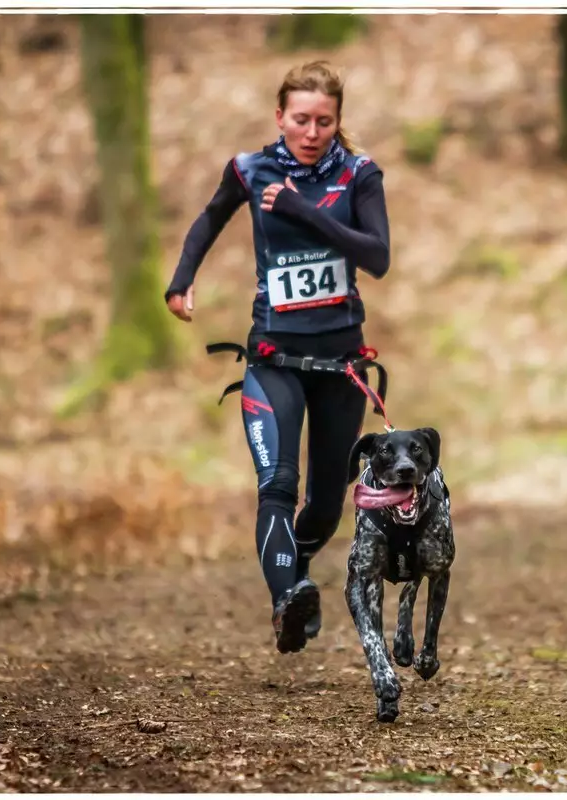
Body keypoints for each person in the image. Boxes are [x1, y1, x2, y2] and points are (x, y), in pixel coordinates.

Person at [163, 61, 392, 655]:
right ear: (279, 116)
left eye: (324, 121)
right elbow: (209, 219)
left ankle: (295, 565)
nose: (312, 132)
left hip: (342, 364)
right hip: (273, 359)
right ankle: (289, 597)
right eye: (300, 120)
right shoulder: (249, 168)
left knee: (322, 505)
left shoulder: (360, 175)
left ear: (338, 121)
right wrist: (181, 281)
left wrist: (302, 210)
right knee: (277, 485)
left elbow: (377, 256)